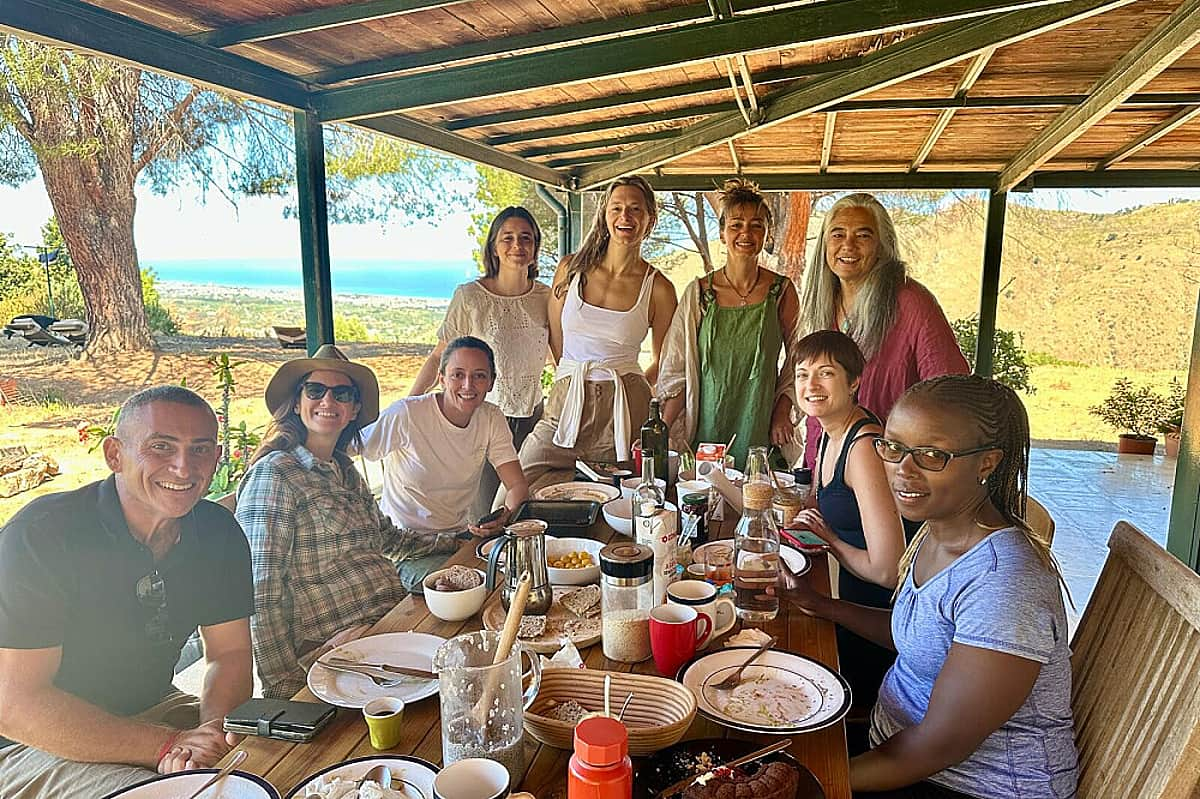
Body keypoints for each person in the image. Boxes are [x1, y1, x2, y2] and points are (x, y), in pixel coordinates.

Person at [784, 375, 1076, 799]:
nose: (903, 470)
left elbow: (938, 748)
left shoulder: (1004, 585)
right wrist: (823, 606)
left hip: (965, 784)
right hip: (896, 749)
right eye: (894, 447)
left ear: (987, 462)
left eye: (931, 455)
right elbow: (927, 637)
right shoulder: (936, 530)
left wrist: (813, 783)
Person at [0, 386, 253, 799]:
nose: (183, 467)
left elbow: (230, 654)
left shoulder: (217, 532)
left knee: (273, 758)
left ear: (217, 458)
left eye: (200, 449)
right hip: (29, 742)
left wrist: (215, 732)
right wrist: (164, 746)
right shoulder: (40, 537)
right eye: (161, 446)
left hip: (155, 706)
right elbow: (14, 705)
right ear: (114, 454)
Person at [236, 345, 464, 698]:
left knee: (479, 653)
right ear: (297, 402)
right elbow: (260, 589)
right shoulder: (276, 474)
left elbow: (391, 540)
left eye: (341, 393)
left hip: (391, 621)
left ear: (353, 409)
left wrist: (459, 540)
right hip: (338, 647)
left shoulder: (345, 472)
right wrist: (285, 688)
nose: (328, 401)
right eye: (315, 390)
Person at [517, 176, 677, 492]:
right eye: (616, 208)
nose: (625, 217)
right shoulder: (571, 269)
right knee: (515, 489)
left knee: (617, 505)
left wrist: (630, 387)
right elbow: (556, 336)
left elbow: (666, 363)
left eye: (635, 209)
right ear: (604, 214)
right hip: (566, 407)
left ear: (649, 219)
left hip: (621, 415)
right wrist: (573, 378)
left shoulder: (658, 287)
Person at [798, 193, 968, 469]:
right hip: (828, 466)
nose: (848, 245)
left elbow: (950, 392)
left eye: (863, 236)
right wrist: (813, 465)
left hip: (893, 469)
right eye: (837, 234)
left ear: (882, 246)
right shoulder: (823, 303)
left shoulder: (911, 302)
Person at [407, 207, 552, 520]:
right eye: (508, 238)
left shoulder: (546, 297)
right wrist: (410, 405)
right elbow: (439, 357)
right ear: (494, 247)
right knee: (482, 514)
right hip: (481, 420)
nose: (518, 245)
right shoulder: (471, 297)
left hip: (533, 419)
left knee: (526, 509)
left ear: (536, 246)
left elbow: (562, 357)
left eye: (526, 238)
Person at [790, 330, 905, 710]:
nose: (811, 385)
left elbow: (889, 570)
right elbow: (825, 504)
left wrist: (832, 541)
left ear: (854, 381)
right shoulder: (830, 433)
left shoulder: (863, 447)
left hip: (882, 624)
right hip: (854, 600)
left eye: (826, 373)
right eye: (802, 374)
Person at [360, 336, 530, 589]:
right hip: (407, 546)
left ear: (492, 383)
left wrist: (505, 516)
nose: (468, 385)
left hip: (457, 536)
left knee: (518, 574)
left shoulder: (490, 418)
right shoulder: (407, 414)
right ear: (441, 379)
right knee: (468, 588)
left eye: (479, 376)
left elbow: (517, 485)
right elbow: (352, 448)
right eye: (457, 375)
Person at [659, 178, 799, 469]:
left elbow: (799, 359)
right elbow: (677, 366)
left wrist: (783, 411)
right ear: (722, 234)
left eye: (756, 225)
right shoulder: (700, 293)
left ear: (766, 234)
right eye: (736, 224)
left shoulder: (782, 291)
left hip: (759, 426)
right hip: (706, 427)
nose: (745, 233)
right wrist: (663, 427)